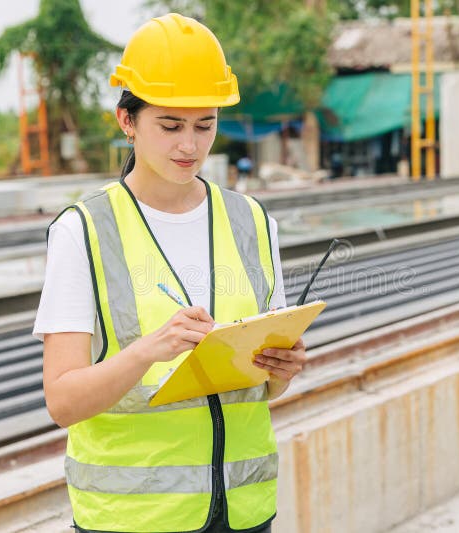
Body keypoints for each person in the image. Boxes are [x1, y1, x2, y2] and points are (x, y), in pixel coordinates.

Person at [32, 13, 307, 533]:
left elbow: (259, 392)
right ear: (127, 121)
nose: (190, 146)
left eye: (205, 125)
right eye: (171, 125)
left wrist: (280, 371)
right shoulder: (84, 231)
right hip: (134, 519)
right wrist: (147, 351)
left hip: (245, 513)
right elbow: (63, 402)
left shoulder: (252, 221)